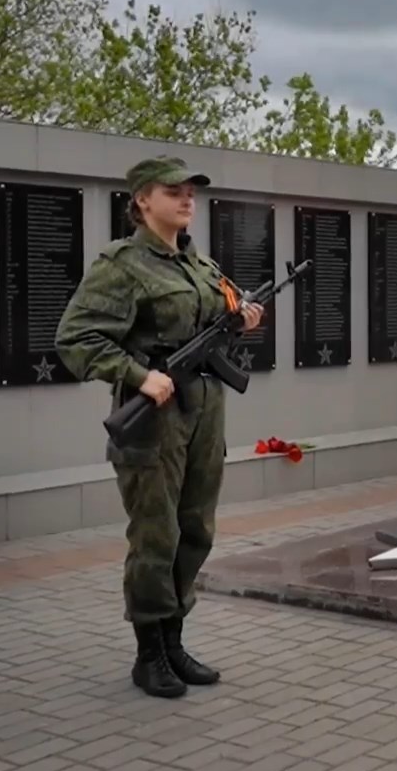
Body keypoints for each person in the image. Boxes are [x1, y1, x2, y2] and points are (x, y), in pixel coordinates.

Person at [55, 155, 265, 699]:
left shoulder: (202, 266)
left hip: (203, 415)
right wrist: (136, 375)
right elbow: (75, 338)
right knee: (157, 536)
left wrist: (243, 320)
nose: (187, 198)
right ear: (142, 200)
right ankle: (149, 653)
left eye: (191, 191)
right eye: (173, 191)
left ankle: (174, 641)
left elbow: (220, 320)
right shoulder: (122, 264)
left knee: (196, 529)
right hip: (155, 422)